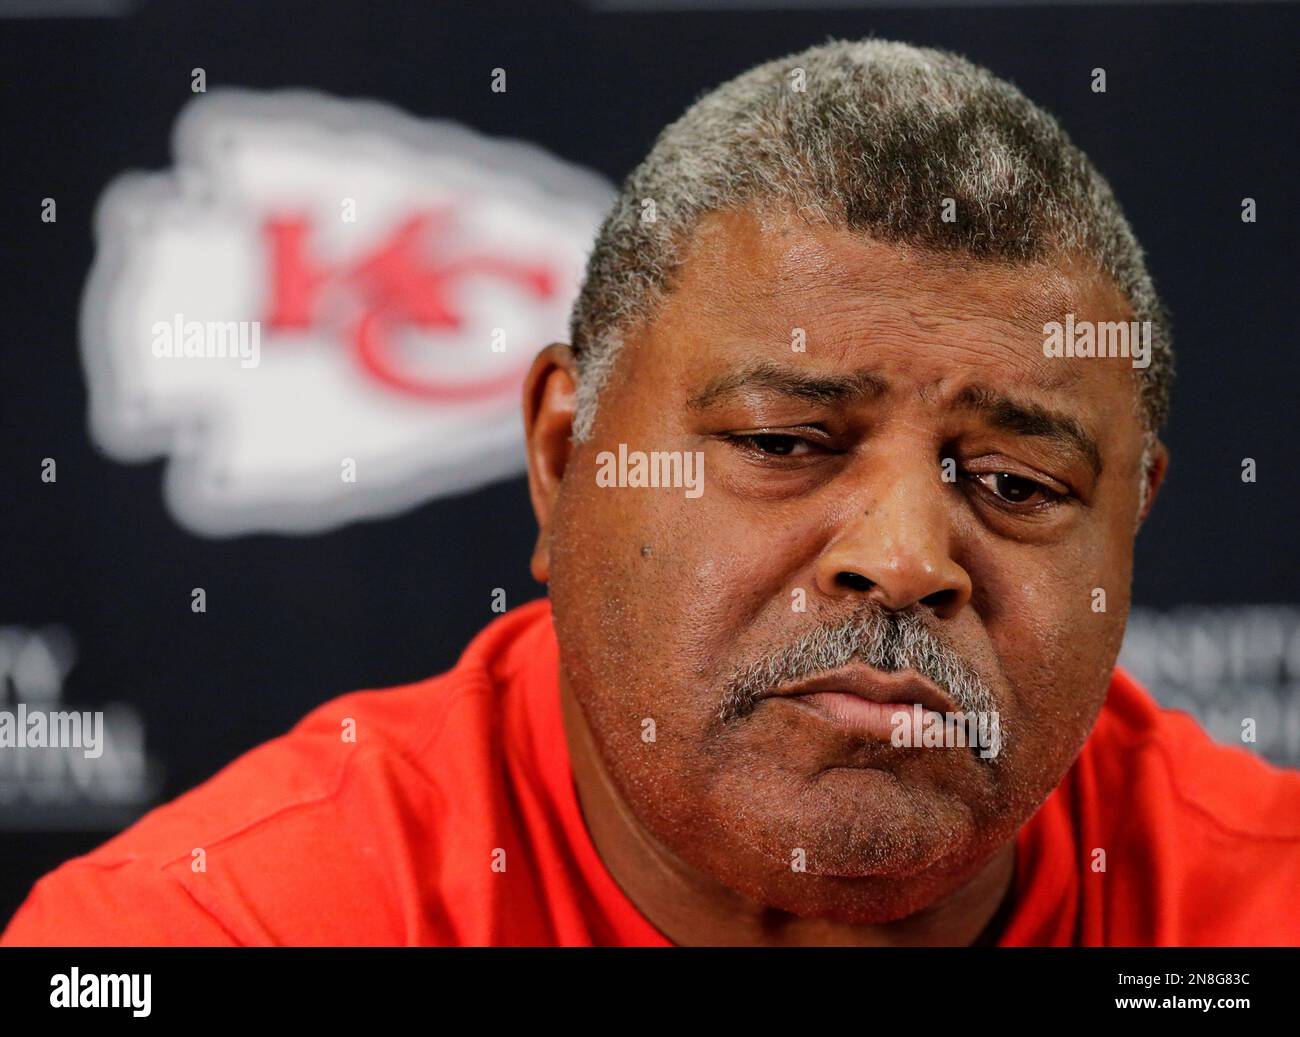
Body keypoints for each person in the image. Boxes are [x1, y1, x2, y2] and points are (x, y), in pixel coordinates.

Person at [5, 37, 1298, 947]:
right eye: (787, 442)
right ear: (565, 458)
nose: (907, 558)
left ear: (1130, 524)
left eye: (1017, 481)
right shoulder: (219, 927)